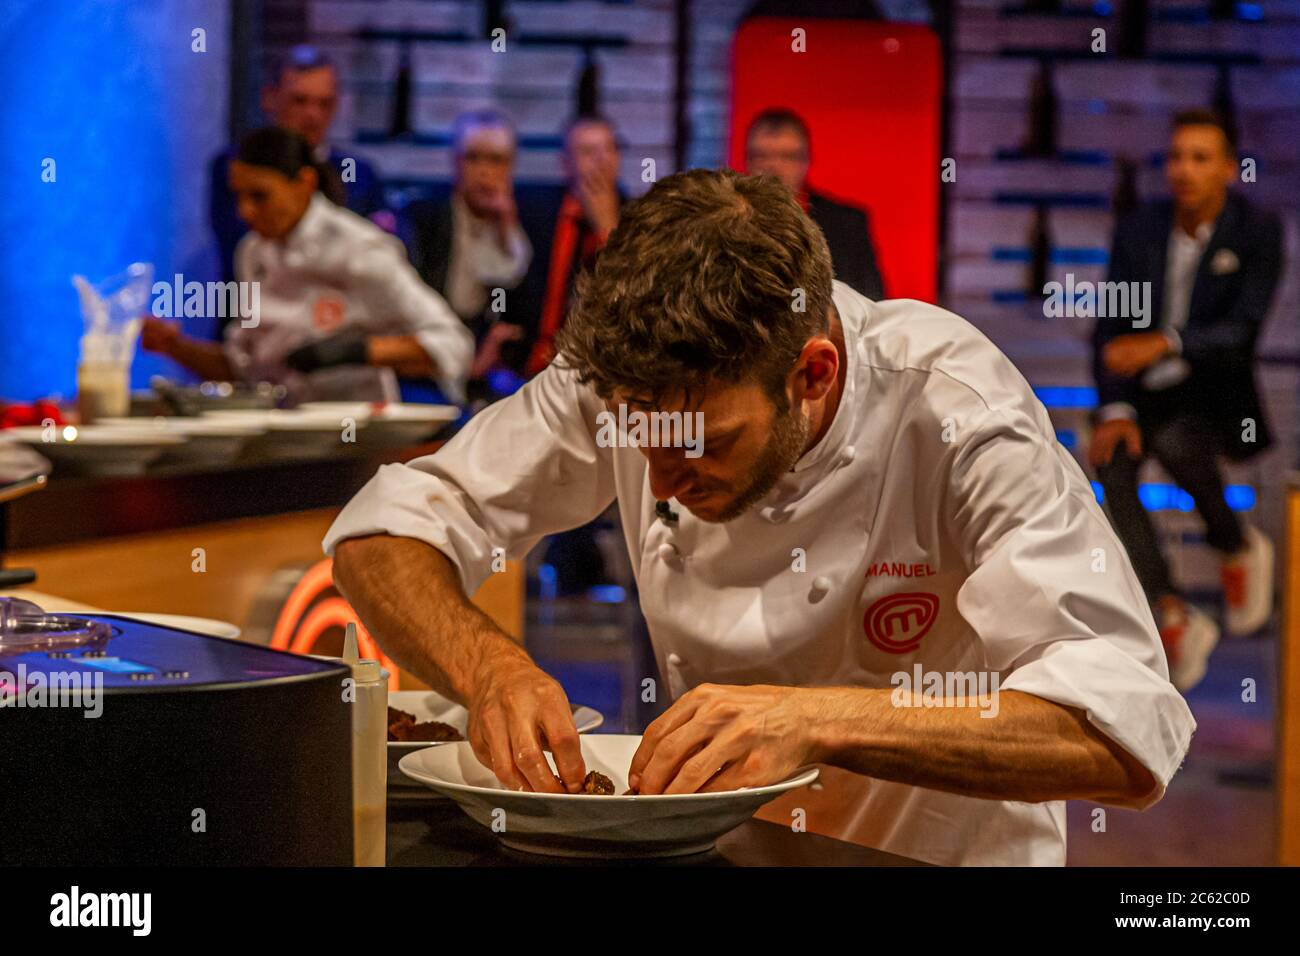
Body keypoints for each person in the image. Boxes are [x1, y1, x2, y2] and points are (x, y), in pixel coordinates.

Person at [325, 169, 1194, 866]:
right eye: (639, 432)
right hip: (718, 852)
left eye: (701, 441)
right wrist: (490, 671)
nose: (659, 475)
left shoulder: (956, 411)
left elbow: (1122, 731)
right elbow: (383, 532)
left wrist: (814, 720)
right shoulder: (626, 377)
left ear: (812, 375)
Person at [1090, 108, 1282, 692]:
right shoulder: (1139, 229)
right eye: (1175, 157)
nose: (1183, 170)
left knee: (1176, 441)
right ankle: (1171, 610)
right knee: (1108, 462)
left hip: (1217, 392)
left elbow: (1243, 332)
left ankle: (1235, 542)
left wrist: (1166, 341)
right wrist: (1116, 409)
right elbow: (1112, 328)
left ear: (1227, 169)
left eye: (1199, 158)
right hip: (1146, 392)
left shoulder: (1257, 230)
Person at [143, 127, 472, 405]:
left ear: (304, 183)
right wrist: (174, 347)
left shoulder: (360, 249)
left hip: (356, 440)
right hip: (278, 440)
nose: (245, 211)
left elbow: (453, 344)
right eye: (238, 196)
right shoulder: (252, 252)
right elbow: (242, 370)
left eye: (259, 196)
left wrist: (355, 351)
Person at [209, 45, 387, 299]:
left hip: (342, 324)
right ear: (269, 98)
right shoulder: (238, 166)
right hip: (256, 316)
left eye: (324, 103)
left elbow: (382, 253)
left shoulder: (359, 174)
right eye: (300, 101)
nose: (313, 115)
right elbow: (243, 245)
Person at [397, 110, 533, 385]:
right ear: (455, 162)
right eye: (473, 158)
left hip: (491, 370)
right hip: (427, 361)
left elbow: (524, 319)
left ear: (511, 166)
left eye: (496, 160)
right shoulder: (423, 217)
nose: (484, 171)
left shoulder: (527, 221)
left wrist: (506, 228)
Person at [517, 115, 625, 378]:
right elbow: (509, 277)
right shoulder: (538, 212)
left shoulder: (638, 215)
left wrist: (606, 233)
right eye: (589, 152)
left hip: (603, 368)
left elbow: (629, 298)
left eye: (609, 149)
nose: (602, 160)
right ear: (566, 164)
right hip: (531, 363)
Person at [745, 107, 885, 300]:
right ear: (747, 160)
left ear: (806, 160)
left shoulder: (846, 223)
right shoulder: (726, 222)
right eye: (761, 155)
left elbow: (870, 300)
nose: (773, 166)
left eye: (787, 156)